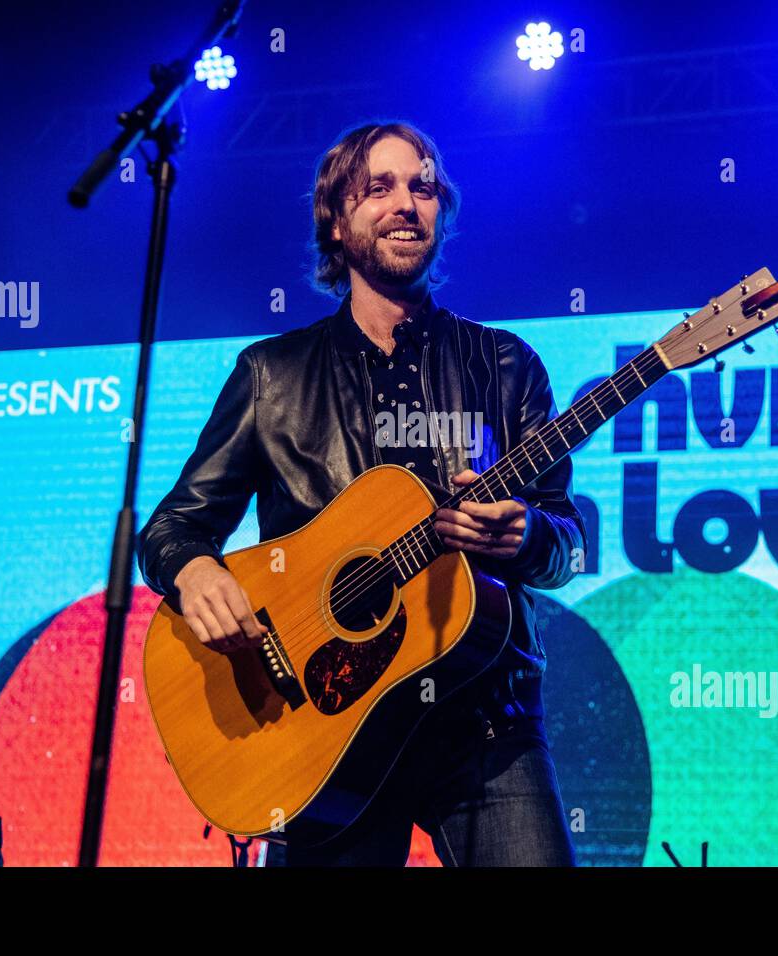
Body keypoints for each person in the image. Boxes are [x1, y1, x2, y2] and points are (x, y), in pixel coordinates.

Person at [137, 121, 585, 866]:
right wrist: (193, 568)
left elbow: (565, 540)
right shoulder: (270, 377)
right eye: (379, 188)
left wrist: (529, 535)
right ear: (336, 222)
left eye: (424, 186)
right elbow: (173, 528)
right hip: (316, 731)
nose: (408, 203)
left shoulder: (506, 365)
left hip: (482, 721)